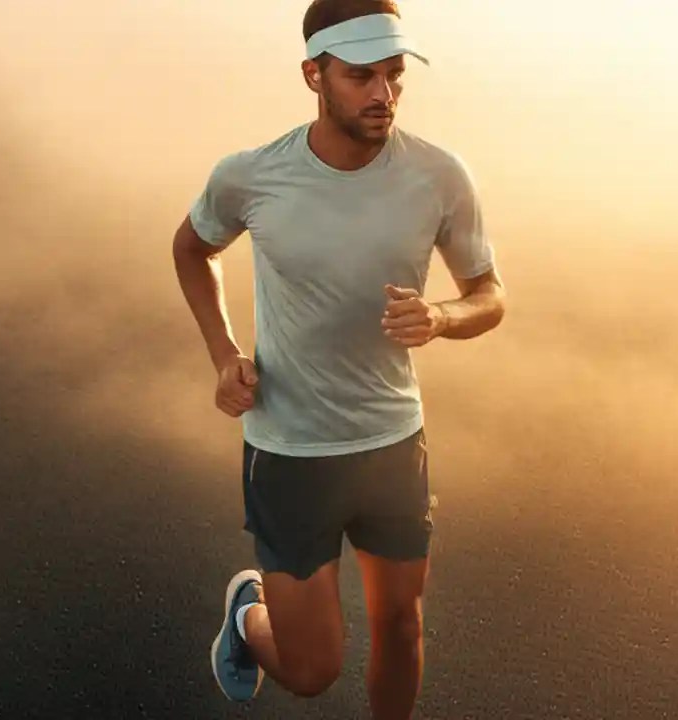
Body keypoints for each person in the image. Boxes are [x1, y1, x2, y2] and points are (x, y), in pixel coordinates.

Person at [171, 0, 507, 717]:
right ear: (313, 75)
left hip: (392, 442)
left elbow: (489, 295)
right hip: (290, 452)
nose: (383, 95)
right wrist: (224, 352)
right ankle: (246, 618)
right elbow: (193, 249)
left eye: (393, 76)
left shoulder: (440, 175)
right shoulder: (252, 176)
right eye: (361, 77)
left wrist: (442, 316)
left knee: (401, 627)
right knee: (313, 670)